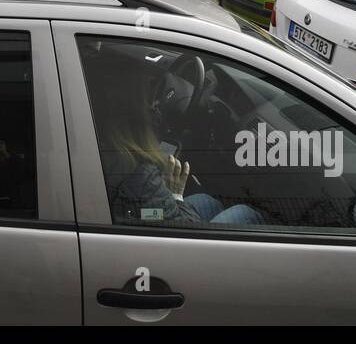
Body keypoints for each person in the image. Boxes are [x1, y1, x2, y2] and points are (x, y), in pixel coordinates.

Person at [86, 46, 262, 228]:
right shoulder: (140, 175)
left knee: (208, 202)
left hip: (133, 213)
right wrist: (175, 195)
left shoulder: (98, 141)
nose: (152, 104)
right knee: (245, 213)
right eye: (148, 92)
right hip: (147, 228)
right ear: (134, 110)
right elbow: (187, 231)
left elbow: (147, 212)